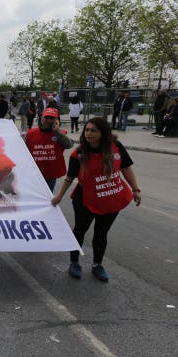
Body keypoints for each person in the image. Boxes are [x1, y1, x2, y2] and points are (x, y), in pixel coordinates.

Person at [51, 117, 141, 282]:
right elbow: (69, 177)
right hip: (84, 199)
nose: (89, 134)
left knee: (101, 233)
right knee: (80, 230)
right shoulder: (79, 153)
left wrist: (135, 189)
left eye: (93, 131)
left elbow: (126, 168)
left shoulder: (116, 147)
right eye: (87, 130)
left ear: (103, 133)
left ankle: (97, 265)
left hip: (110, 198)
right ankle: (74, 262)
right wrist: (59, 196)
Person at [25, 108, 74, 192]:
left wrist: (57, 131)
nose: (48, 120)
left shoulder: (60, 133)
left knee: (48, 197)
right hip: (34, 174)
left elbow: (69, 145)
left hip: (51, 174)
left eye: (51, 118)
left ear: (56, 120)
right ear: (42, 118)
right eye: (46, 117)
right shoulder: (30, 133)